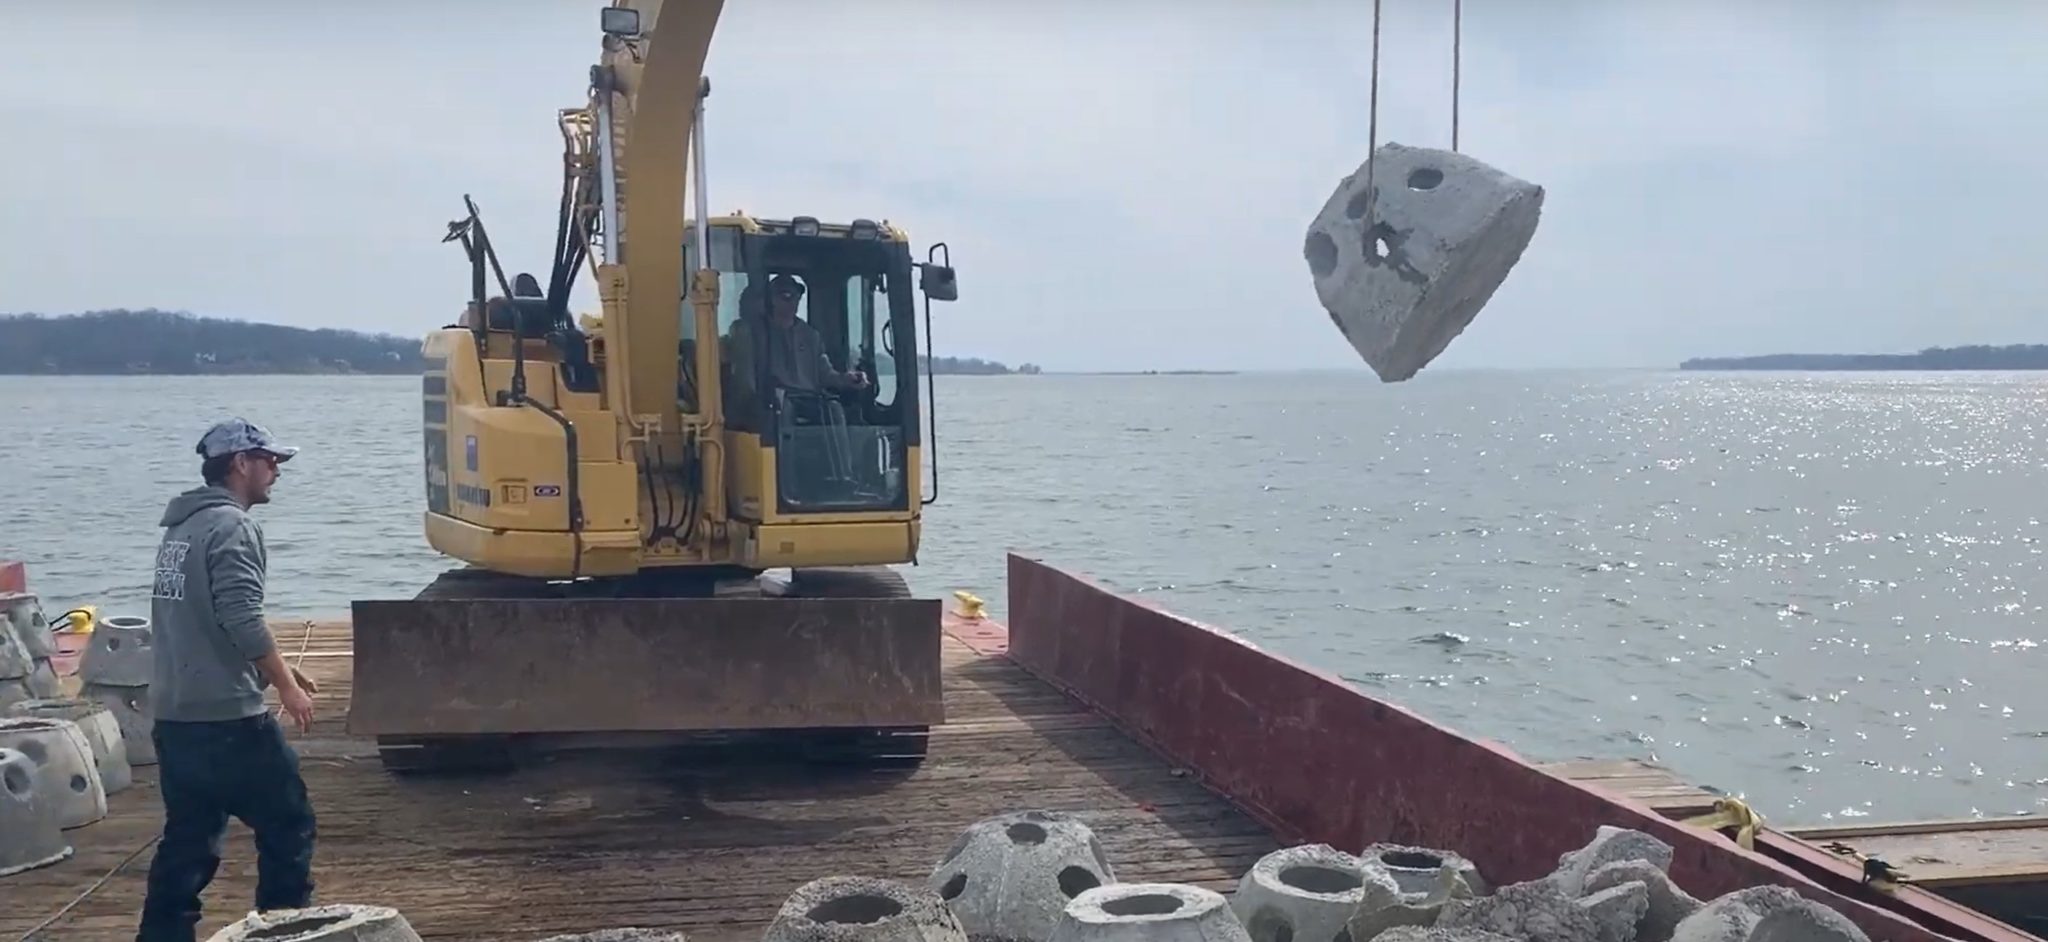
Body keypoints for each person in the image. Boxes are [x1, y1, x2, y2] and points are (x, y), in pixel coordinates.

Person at [135, 418, 319, 942]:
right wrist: (284, 685)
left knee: (189, 841)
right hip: (228, 720)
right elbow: (239, 614)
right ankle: (284, 931)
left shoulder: (181, 528)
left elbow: (200, 615)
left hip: (175, 716)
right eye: (270, 461)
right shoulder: (233, 526)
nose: (276, 471)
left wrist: (276, 662)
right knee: (289, 826)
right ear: (241, 463)